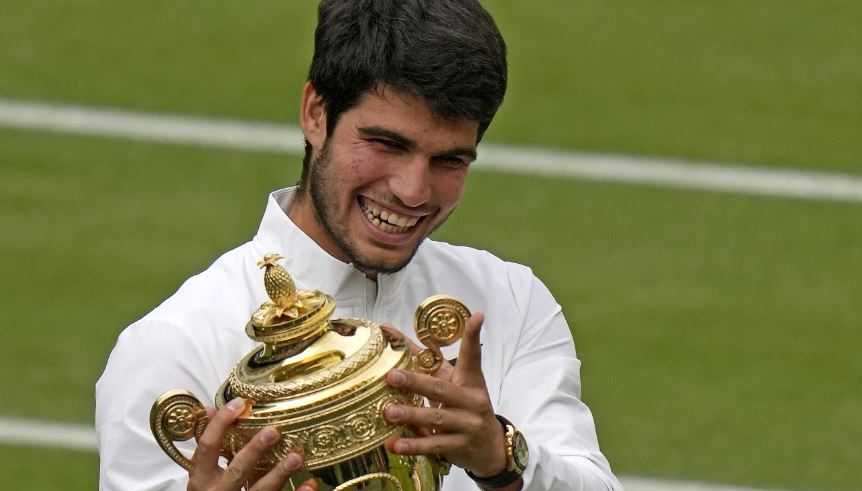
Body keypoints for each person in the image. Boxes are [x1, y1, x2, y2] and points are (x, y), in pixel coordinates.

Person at [96, 1, 622, 490]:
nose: (413, 191)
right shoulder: (172, 349)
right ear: (315, 114)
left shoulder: (510, 300)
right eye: (388, 144)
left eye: (450, 160)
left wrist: (503, 459)